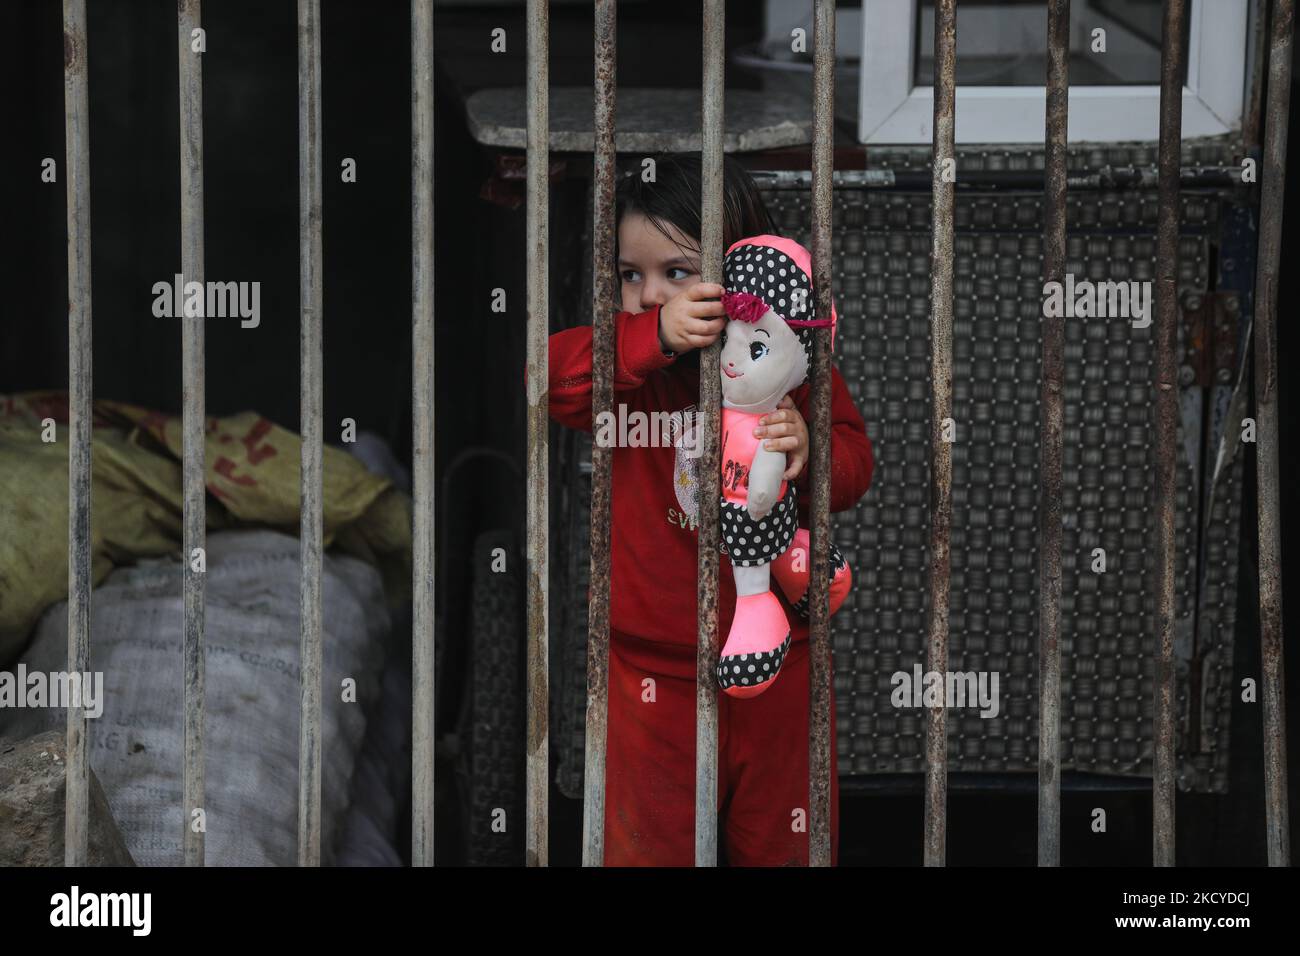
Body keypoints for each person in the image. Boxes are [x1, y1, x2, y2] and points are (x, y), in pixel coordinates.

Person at [548, 153, 874, 865]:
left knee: (785, 845)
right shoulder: (627, 367)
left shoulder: (784, 364)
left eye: (677, 272)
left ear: (744, 269)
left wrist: (811, 449)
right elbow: (552, 382)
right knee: (646, 849)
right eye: (630, 275)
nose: (648, 295)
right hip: (649, 668)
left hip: (782, 663)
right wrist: (653, 338)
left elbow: (857, 465)